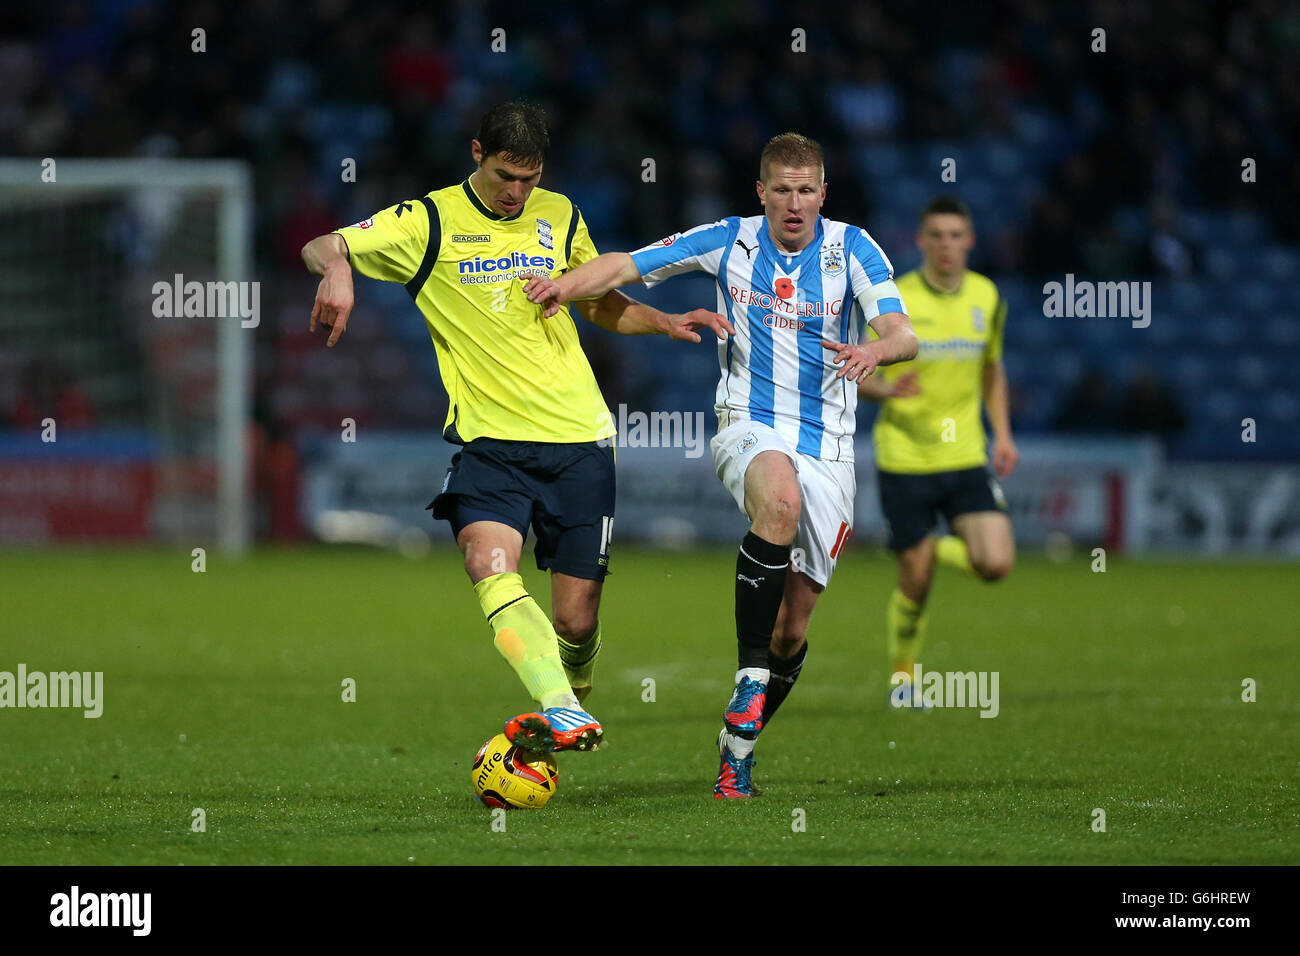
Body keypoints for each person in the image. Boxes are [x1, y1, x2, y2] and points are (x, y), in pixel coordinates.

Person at [301, 100, 729, 754]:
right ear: (478, 153)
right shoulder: (429, 221)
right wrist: (337, 267)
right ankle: (557, 704)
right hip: (489, 442)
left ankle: (572, 683)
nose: (516, 192)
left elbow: (598, 302)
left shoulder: (559, 215)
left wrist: (662, 321)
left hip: (579, 439)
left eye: (528, 179)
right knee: (486, 560)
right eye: (505, 175)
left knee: (575, 620)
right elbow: (323, 243)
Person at [526, 133, 917, 797]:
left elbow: (903, 332)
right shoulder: (729, 240)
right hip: (749, 425)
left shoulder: (854, 248)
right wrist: (567, 284)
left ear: (824, 193)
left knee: (792, 631)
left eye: (806, 190)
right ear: (760, 192)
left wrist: (878, 352)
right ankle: (749, 675)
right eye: (782, 190)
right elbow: (626, 264)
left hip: (829, 446)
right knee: (780, 505)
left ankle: (737, 746)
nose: (794, 203)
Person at [857, 197, 1017, 705]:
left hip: (966, 454)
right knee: (917, 580)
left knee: (995, 563)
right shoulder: (894, 298)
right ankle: (903, 680)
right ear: (921, 241)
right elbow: (859, 373)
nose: (946, 245)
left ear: (969, 241)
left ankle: (922, 548)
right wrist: (886, 391)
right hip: (906, 456)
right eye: (936, 235)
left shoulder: (987, 296)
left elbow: (992, 368)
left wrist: (1004, 434)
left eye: (955, 235)